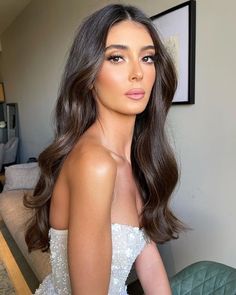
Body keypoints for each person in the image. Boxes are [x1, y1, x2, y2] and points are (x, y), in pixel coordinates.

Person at [24, 4, 184, 295]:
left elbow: (149, 263)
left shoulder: (133, 158)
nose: (137, 72)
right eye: (117, 57)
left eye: (147, 57)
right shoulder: (95, 164)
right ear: (89, 74)